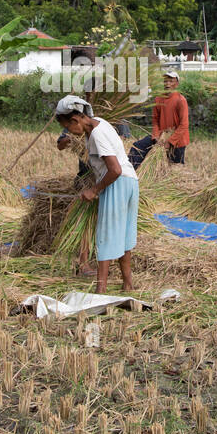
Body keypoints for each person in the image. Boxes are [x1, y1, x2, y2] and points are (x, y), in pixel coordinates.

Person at [54, 95, 139, 294]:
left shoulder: (97, 135)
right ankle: (127, 284)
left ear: (75, 119)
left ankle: (100, 290)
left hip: (117, 183)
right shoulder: (101, 123)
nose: (69, 132)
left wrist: (95, 190)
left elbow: (114, 170)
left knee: (106, 236)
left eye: (68, 127)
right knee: (124, 238)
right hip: (131, 182)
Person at [129, 70, 189, 167]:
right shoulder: (158, 99)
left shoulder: (180, 100)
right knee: (138, 146)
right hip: (161, 136)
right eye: (165, 81)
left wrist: (170, 142)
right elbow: (155, 120)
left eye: (171, 81)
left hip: (177, 140)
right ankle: (130, 172)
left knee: (174, 168)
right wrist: (156, 136)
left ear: (177, 84)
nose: (167, 84)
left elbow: (184, 125)